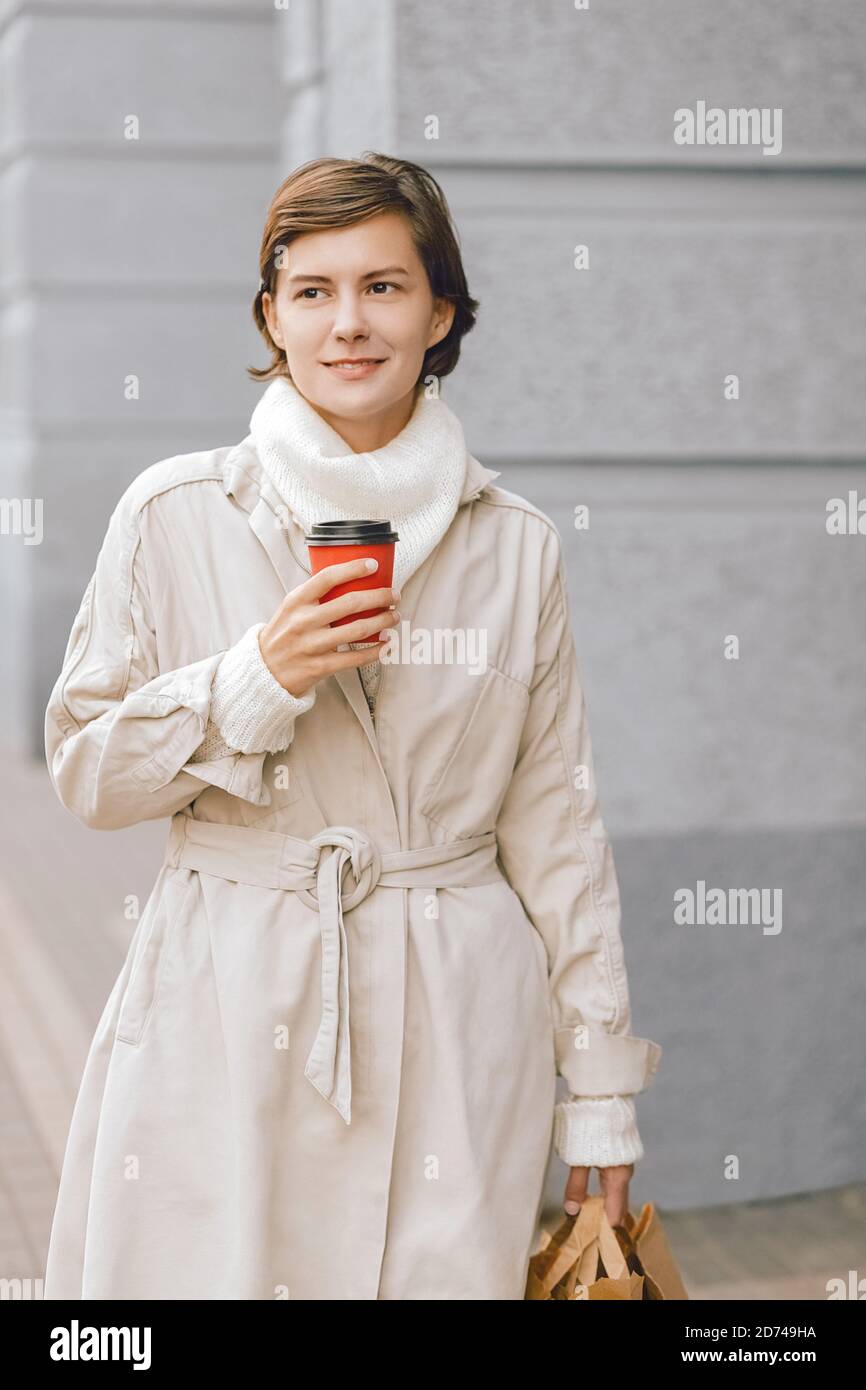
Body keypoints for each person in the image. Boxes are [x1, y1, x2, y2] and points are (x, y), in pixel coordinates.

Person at [42, 152, 662, 1300]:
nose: (348, 324)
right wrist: (249, 681)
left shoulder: (512, 542)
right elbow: (89, 773)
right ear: (271, 317)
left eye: (384, 286)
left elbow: (557, 830)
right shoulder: (176, 513)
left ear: (441, 311)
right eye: (312, 290)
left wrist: (601, 1101)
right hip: (225, 990)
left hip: (454, 1003)